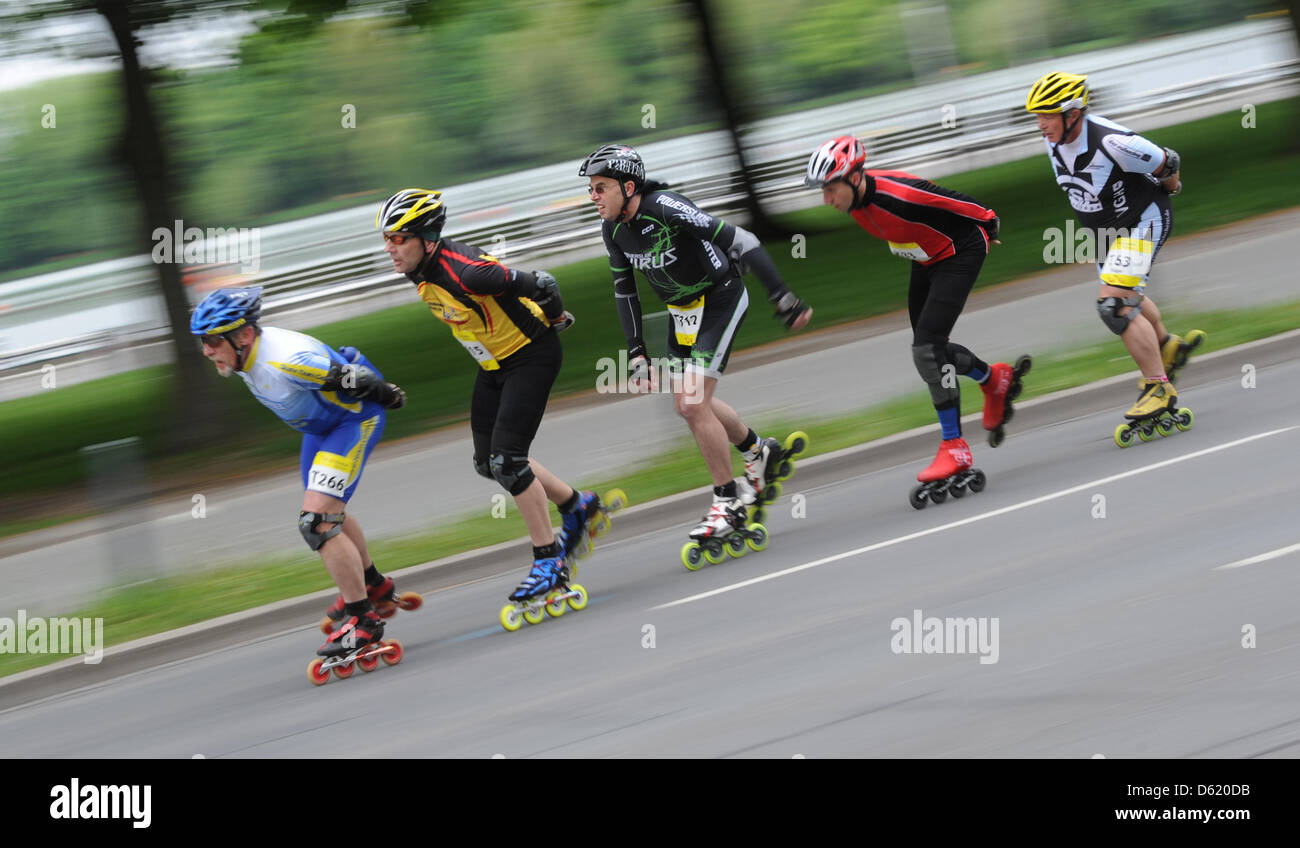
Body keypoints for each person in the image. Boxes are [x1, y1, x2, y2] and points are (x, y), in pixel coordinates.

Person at [376, 187, 605, 606]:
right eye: (386, 240)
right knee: (489, 463)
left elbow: (544, 284)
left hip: (531, 355)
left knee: (509, 461)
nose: (390, 249)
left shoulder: (470, 272)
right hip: (494, 366)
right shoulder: (419, 268)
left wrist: (556, 318)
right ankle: (579, 506)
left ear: (426, 239)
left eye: (398, 238)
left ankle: (548, 561)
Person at [579, 143, 812, 547]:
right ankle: (758, 452)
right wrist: (636, 352)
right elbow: (625, 292)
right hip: (681, 311)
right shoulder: (612, 229)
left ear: (628, 186)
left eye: (601, 188)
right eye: (591, 189)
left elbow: (744, 239)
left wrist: (782, 296)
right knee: (687, 403)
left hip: (721, 298)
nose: (593, 197)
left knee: (691, 402)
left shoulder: (665, 207)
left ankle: (728, 501)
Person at [190, 286, 409, 657]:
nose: (206, 350)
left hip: (352, 421)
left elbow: (354, 376)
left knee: (317, 521)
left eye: (212, 340)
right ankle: (372, 585)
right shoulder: (245, 354)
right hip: (320, 429)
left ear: (244, 334)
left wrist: (389, 395)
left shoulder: (287, 359)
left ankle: (364, 621)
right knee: (328, 512)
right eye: (202, 341)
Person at [803, 134, 1024, 491]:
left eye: (830, 189)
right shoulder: (854, 203)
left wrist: (989, 222)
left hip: (959, 252)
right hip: (925, 258)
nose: (826, 199)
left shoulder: (899, 194)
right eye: (822, 192)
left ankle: (955, 447)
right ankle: (994, 380)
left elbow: (954, 200)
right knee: (931, 349)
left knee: (927, 350)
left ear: (855, 178)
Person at [1025, 72, 1204, 435]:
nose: (1040, 124)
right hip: (1108, 233)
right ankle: (1166, 346)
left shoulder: (1111, 141)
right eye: (1037, 116)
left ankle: (1158, 387)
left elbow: (1167, 160)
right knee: (1127, 296)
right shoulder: (1055, 138)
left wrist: (1173, 187)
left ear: (1072, 113)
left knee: (1115, 305)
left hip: (1143, 222)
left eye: (1046, 115)